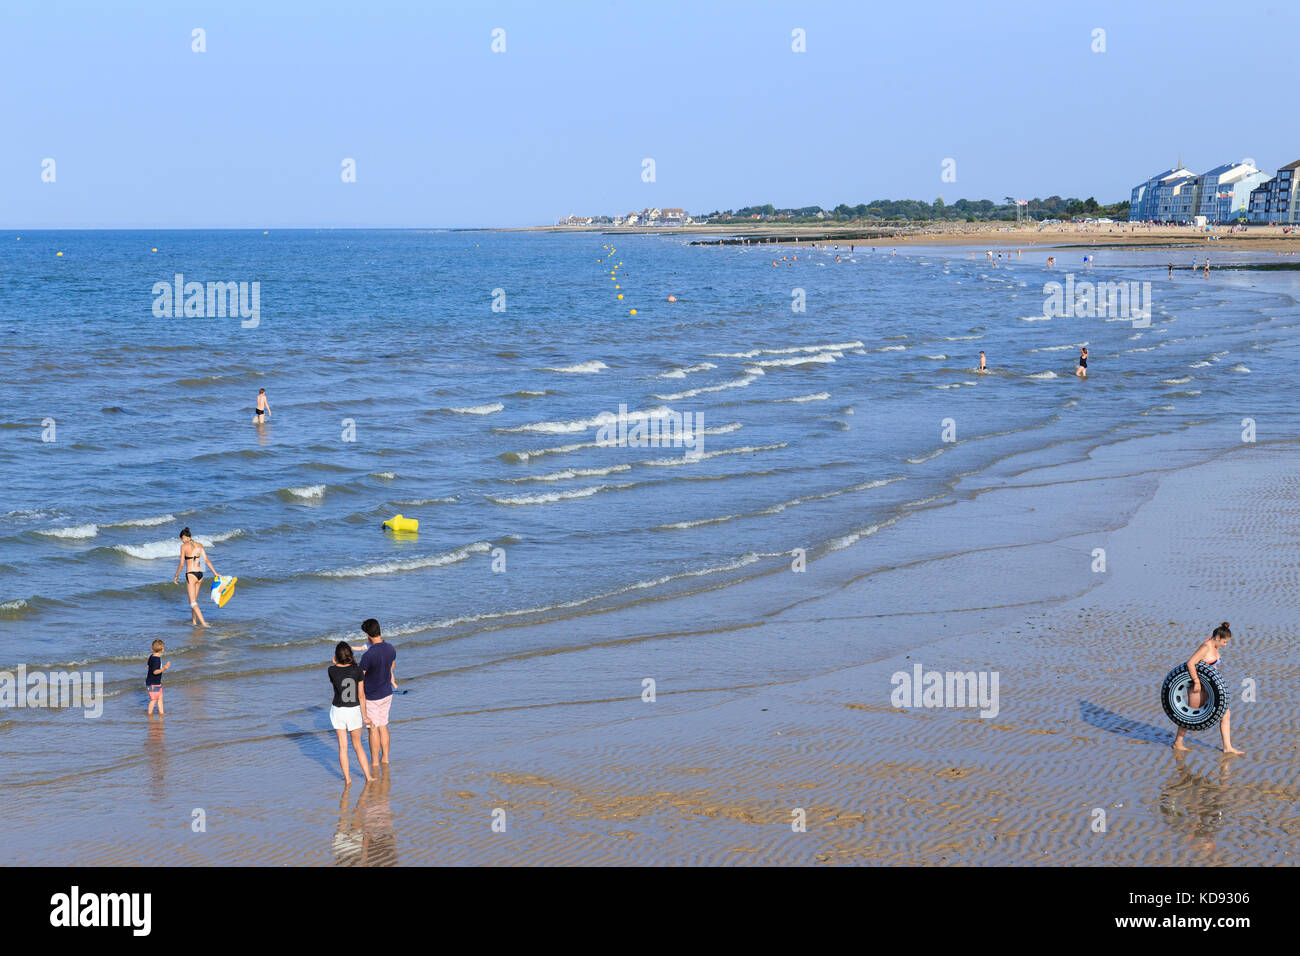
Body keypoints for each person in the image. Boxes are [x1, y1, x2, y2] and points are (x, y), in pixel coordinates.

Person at [1173, 623, 1244, 754]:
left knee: (1225, 714)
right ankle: (1178, 742)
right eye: (1224, 642)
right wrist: (1196, 682)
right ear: (1217, 637)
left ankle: (1227, 747)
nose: (1225, 645)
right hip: (1198, 686)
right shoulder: (1206, 647)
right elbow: (1190, 663)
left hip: (1211, 687)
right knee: (1189, 715)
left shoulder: (1215, 647)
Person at [352, 619, 397, 766]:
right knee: (383, 725)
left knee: (373, 729)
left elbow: (360, 676)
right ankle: (385, 758)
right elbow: (392, 667)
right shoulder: (391, 648)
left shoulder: (368, 655)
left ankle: (374, 762)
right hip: (387, 693)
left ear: (367, 634)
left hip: (371, 695)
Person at [328, 641, 373, 785]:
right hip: (353, 711)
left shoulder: (331, 670)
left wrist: (335, 662)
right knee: (358, 745)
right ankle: (368, 776)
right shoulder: (358, 670)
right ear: (350, 655)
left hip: (338, 711)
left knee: (342, 747)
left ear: (336, 657)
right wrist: (365, 716)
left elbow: (335, 680)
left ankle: (347, 779)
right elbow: (361, 695)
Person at [172, 528, 216, 627]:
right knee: (194, 601)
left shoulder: (183, 546)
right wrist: (215, 573)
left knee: (192, 602)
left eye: (182, 538)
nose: (182, 541)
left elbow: (182, 564)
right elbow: (206, 561)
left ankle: (204, 624)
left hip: (191, 574)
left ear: (186, 537)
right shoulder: (199, 545)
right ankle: (194, 622)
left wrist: (176, 575)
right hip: (200, 574)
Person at [146, 639, 170, 715]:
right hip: (153, 683)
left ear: (152, 649)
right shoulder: (157, 660)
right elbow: (155, 672)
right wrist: (164, 669)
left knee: (160, 697)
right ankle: (149, 714)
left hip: (154, 681)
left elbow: (148, 666)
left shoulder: (151, 656)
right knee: (154, 699)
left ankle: (161, 713)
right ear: (163, 650)